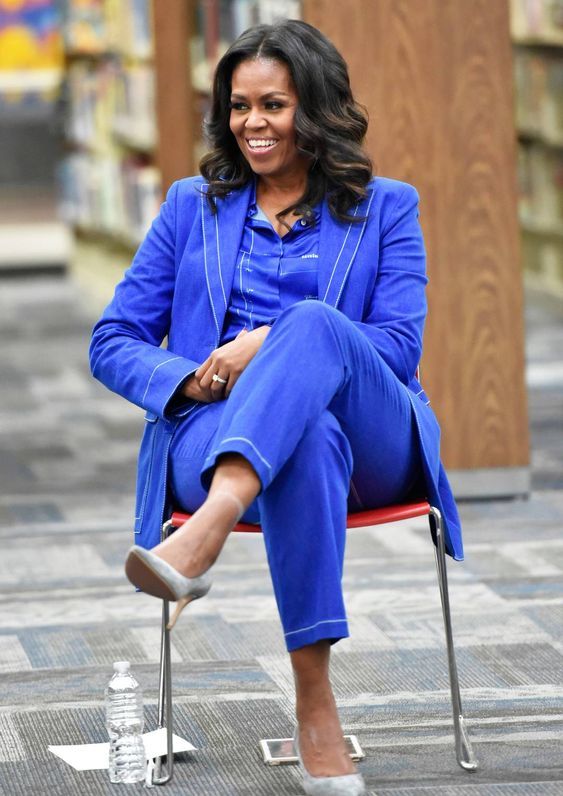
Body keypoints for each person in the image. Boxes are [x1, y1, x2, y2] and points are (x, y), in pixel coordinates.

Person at [90, 19, 463, 796]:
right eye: (238, 107)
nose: (252, 124)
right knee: (306, 438)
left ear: (316, 108)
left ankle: (208, 532)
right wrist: (195, 379)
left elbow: (394, 349)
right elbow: (113, 338)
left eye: (274, 106)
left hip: (374, 444)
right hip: (217, 428)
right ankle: (314, 702)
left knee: (315, 329)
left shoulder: (387, 208)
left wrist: (265, 342)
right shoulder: (191, 207)